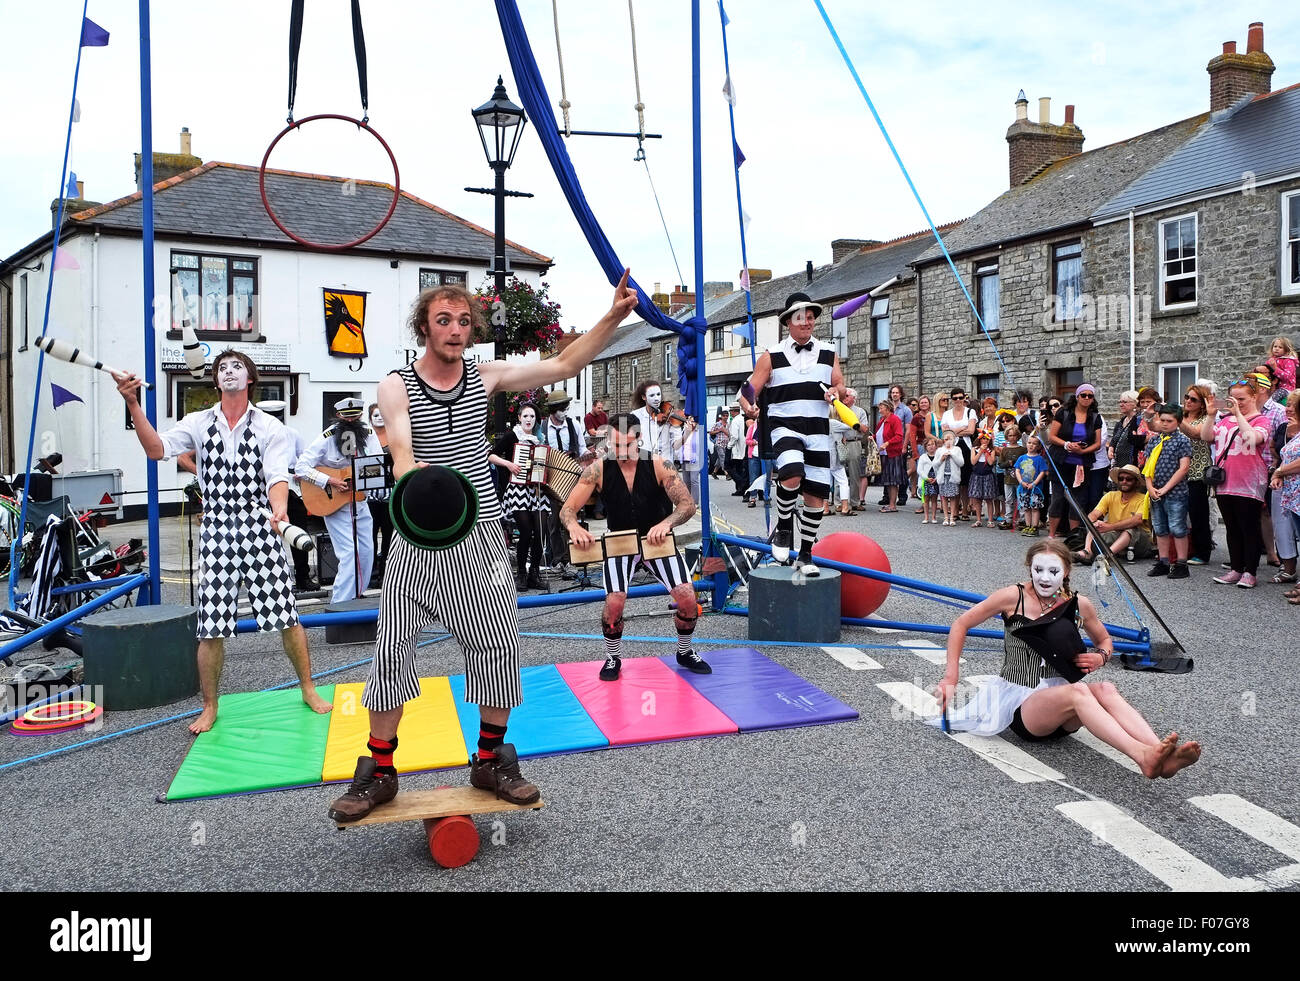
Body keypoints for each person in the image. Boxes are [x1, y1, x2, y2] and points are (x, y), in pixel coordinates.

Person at [327, 270, 639, 822]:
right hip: (417, 537)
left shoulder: (485, 374)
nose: (454, 329)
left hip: (481, 534)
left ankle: (490, 762)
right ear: (424, 326)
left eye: (464, 321)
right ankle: (380, 771)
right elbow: (398, 442)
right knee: (391, 653)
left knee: (498, 654)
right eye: (443, 319)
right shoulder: (396, 382)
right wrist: (409, 476)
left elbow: (564, 364)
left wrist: (613, 316)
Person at [114, 350, 331, 733]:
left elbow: (277, 475)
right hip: (216, 528)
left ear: (250, 378)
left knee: (287, 615)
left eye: (237, 367)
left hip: (260, 525)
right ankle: (210, 705)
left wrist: (279, 509)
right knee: (210, 625)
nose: (229, 372)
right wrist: (133, 403)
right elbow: (155, 449)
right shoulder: (197, 423)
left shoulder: (270, 428)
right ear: (215, 381)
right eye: (222, 369)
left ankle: (308, 688)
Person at [932, 540, 1200, 780]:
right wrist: (950, 678)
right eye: (1039, 570)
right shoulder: (1012, 597)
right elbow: (961, 624)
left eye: (1053, 571)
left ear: (1067, 572)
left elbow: (1104, 641)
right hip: (1022, 708)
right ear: (1030, 568)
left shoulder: (1079, 604)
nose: (1045, 578)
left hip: (1064, 708)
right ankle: (1143, 757)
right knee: (1079, 692)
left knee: (1105, 688)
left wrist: (1100, 657)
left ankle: (1159, 754)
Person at [559, 414, 710, 682]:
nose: (621, 451)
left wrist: (667, 523)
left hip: (656, 538)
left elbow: (687, 505)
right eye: (615, 445)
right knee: (615, 603)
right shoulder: (598, 469)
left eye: (627, 445)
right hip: (620, 540)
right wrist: (573, 527)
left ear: (639, 440)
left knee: (687, 598)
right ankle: (613, 657)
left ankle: (684, 651)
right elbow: (568, 510)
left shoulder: (658, 463)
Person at [738, 291, 844, 573]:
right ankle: (784, 528)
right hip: (785, 425)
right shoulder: (771, 355)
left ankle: (806, 554)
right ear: (788, 322)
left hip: (819, 429)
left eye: (811, 317)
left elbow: (840, 386)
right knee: (792, 472)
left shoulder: (829, 352)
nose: (807, 322)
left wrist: (839, 392)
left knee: (816, 495)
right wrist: (748, 405)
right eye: (801, 317)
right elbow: (748, 390)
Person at [295, 398, 381, 604]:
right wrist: (330, 480)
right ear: (339, 416)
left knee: (367, 551)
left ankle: (358, 596)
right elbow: (301, 467)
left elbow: (377, 464)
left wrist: (364, 475)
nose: (351, 421)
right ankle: (341, 604)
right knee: (349, 553)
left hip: (359, 501)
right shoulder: (327, 437)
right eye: (346, 417)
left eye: (355, 417)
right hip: (334, 503)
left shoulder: (369, 435)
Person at [1199, 379, 1273, 588]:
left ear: (1254, 397)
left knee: (1248, 527)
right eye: (1234, 399)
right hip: (1226, 481)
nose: (1237, 403)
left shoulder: (1262, 420)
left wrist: (1238, 414)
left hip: (1249, 481)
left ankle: (1250, 571)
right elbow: (1206, 437)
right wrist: (1211, 415)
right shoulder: (1224, 420)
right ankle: (1236, 569)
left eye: (1242, 399)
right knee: (1232, 527)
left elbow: (1251, 437)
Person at [488, 402, 549, 591]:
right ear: (519, 418)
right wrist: (509, 465)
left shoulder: (541, 439)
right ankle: (521, 574)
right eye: (526, 416)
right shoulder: (512, 436)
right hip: (517, 491)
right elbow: (490, 455)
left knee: (540, 533)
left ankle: (534, 574)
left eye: (532, 417)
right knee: (525, 531)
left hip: (537, 491)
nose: (529, 420)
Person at [1141, 404, 1193, 579]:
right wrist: (1150, 486)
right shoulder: (1155, 440)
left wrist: (1165, 488)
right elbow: (1148, 466)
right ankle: (1163, 561)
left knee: (1178, 527)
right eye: (1162, 420)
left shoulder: (1182, 441)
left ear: (1178, 422)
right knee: (1160, 528)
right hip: (1155, 491)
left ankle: (1181, 563)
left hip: (1175, 492)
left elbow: (1183, 468)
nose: (1164, 424)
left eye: (1169, 421)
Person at [1045, 384, 1103, 540]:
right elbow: (1052, 436)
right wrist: (1067, 444)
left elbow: (1097, 443)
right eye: (1083, 395)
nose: (1086, 398)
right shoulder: (1063, 413)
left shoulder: (1095, 417)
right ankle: (1051, 535)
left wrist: (1083, 451)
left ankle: (1074, 536)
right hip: (1061, 461)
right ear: (1076, 397)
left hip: (1082, 463)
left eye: (1090, 396)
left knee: (1077, 500)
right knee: (1057, 498)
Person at [1075, 465, 1154, 564]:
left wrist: (1110, 527)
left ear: (1137, 482)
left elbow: (1137, 520)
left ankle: (1107, 557)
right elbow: (1094, 514)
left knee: (1131, 529)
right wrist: (1094, 523)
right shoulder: (1110, 495)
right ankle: (1087, 552)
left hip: (1140, 541)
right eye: (1121, 478)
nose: (1124, 481)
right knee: (1093, 523)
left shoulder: (1143, 498)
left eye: (1128, 479)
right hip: (1116, 534)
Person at [1178, 383, 1216, 566]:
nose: (1188, 401)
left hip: (1198, 470)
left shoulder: (1205, 419)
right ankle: (1183, 549)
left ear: (1202, 404)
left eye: (1193, 399)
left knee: (1198, 512)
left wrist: (1176, 418)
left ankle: (1202, 552)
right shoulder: (1182, 417)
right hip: (1178, 471)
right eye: (1186, 397)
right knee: (1178, 512)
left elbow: (1195, 434)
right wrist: (1151, 415)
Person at [1267, 390, 1300, 591]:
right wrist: (1277, 475)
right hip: (1290, 492)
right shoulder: (1283, 427)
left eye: (1292, 405)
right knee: (1285, 529)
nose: (1287, 408)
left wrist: (1279, 471)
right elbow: (1278, 453)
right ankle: (1290, 571)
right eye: (1287, 404)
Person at [940, 387, 979, 520]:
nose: (958, 400)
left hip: (966, 446)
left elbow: (971, 431)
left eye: (960, 398)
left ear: (964, 398)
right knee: (954, 478)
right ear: (952, 400)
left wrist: (953, 431)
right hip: (952, 447)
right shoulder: (947, 414)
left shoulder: (970, 412)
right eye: (955, 398)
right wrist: (962, 428)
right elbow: (945, 433)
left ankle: (965, 509)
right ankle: (954, 510)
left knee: (965, 480)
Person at [366, 402, 394, 584]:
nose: (379, 418)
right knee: (370, 536)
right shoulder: (366, 438)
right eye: (375, 415)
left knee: (389, 536)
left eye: (381, 414)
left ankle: (386, 573)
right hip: (370, 495)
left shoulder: (394, 435)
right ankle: (371, 572)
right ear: (370, 418)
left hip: (390, 494)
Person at [629, 380, 688, 463]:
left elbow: (676, 446)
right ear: (644, 397)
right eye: (652, 395)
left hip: (665, 464)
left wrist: (687, 433)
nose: (656, 398)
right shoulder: (635, 415)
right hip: (644, 464)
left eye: (658, 394)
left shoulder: (671, 417)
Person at [1016, 435, 1048, 536]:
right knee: (1026, 508)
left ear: (1038, 446)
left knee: (1035, 508)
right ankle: (1027, 525)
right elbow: (1017, 470)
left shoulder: (1040, 459)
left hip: (1036, 489)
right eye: (1029, 443)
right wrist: (1021, 482)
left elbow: (1042, 472)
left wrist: (1034, 483)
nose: (1031, 445)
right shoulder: (1022, 458)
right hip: (1023, 487)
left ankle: (1034, 527)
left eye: (1034, 444)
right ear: (1026, 444)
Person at [877, 399, 905, 513]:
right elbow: (879, 434)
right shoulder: (882, 420)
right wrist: (872, 437)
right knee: (888, 480)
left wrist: (888, 443)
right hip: (884, 453)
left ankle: (893, 505)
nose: (879, 410)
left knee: (893, 480)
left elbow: (899, 436)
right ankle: (890, 504)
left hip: (892, 453)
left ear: (888, 408)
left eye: (881, 408)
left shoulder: (895, 419)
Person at [968, 430, 999, 527]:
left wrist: (986, 452)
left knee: (989, 499)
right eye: (983, 439)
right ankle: (978, 519)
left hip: (987, 476)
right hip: (977, 475)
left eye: (987, 439)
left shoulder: (992, 450)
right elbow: (973, 462)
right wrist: (980, 451)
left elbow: (990, 462)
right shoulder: (974, 449)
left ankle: (990, 520)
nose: (985, 441)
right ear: (980, 439)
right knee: (977, 499)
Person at [933, 433, 964, 526]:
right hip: (943, 476)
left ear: (954, 440)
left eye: (950, 439)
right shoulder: (939, 450)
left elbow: (961, 463)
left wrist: (952, 455)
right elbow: (935, 464)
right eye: (946, 439)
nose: (948, 441)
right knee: (944, 497)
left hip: (953, 476)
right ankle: (946, 517)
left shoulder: (957, 449)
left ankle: (952, 517)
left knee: (953, 497)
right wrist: (942, 459)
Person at [997, 424, 1023, 530]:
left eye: (1014, 435)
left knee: (1020, 499)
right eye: (1010, 435)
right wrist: (1008, 463)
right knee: (1008, 500)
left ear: (1018, 436)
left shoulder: (1022, 450)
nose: (1012, 438)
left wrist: (1017, 463)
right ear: (1007, 437)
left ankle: (1022, 520)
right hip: (1008, 478)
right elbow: (1000, 464)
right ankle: (1008, 519)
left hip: (1020, 479)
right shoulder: (1004, 450)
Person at [1109, 390, 1143, 470]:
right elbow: (1114, 439)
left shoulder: (1140, 421)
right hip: (1118, 464)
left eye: (1124, 402)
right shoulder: (1121, 422)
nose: (1121, 405)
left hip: (1133, 464)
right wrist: (1111, 448)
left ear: (1135, 404)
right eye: (1120, 402)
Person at [916, 435, 941, 524]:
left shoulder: (938, 456)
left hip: (935, 479)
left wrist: (937, 478)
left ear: (936, 446)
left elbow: (940, 468)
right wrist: (926, 478)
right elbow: (919, 470)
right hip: (926, 479)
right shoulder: (923, 457)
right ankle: (926, 517)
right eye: (929, 445)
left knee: (934, 499)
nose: (931, 446)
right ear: (925, 447)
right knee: (926, 499)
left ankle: (934, 517)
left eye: (933, 444)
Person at [726, 403, 748, 497]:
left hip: (737, 449)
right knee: (740, 469)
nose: (730, 413)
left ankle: (742, 484)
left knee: (728, 466)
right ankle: (740, 489)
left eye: (730, 411)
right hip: (745, 448)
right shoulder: (743, 418)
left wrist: (729, 446)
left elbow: (734, 436)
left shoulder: (735, 421)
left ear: (734, 411)